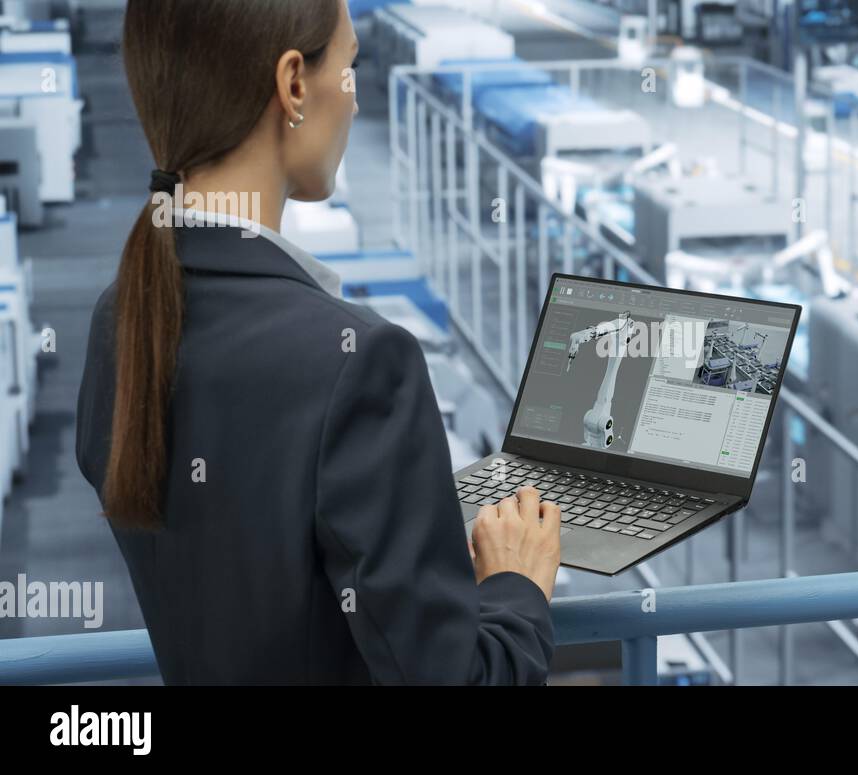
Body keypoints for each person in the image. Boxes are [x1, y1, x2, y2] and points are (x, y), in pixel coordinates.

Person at [74, 0, 561, 685]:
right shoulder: (361, 362)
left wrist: (405, 509)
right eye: (352, 66)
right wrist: (516, 585)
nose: (357, 103)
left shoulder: (118, 323)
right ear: (294, 84)